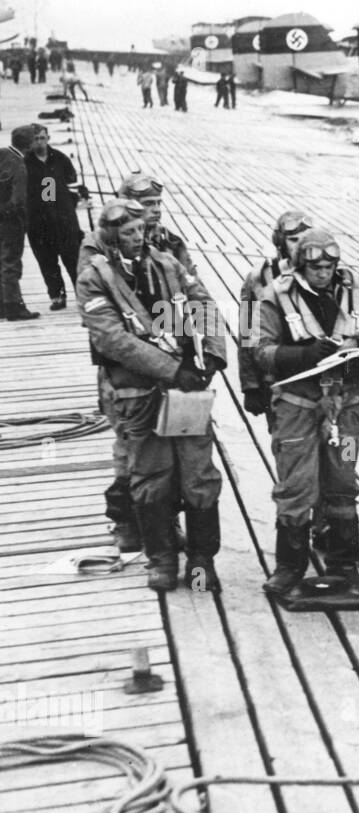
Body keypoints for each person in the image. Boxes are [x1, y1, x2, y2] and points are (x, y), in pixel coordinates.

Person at [76, 198, 227, 592]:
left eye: (141, 230)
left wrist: (212, 354)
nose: (138, 238)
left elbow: (205, 304)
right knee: (151, 478)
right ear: (110, 237)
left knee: (200, 475)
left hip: (186, 392)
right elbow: (113, 339)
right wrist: (172, 370)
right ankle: (161, 560)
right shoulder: (94, 278)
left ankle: (201, 561)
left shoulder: (166, 264)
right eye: (128, 233)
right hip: (136, 391)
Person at [255, 228, 359, 598]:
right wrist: (302, 356)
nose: (323, 272)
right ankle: (290, 565)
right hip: (298, 408)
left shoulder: (356, 293)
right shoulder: (273, 297)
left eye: (329, 265)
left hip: (345, 411)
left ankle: (344, 562)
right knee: (297, 486)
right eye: (315, 266)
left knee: (342, 481)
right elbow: (261, 351)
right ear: (299, 267)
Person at [239, 210, 313, 427]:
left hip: (317, 377)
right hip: (277, 377)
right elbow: (246, 333)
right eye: (293, 240)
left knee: (342, 451)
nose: (299, 247)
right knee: (288, 449)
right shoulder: (260, 278)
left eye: (305, 240)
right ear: (280, 242)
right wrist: (250, 385)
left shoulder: (323, 273)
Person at [24, 124, 82, 311]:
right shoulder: (24, 162)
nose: (39, 142)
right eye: (35, 139)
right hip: (38, 222)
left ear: (48, 138)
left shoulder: (60, 159)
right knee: (46, 260)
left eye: (42, 137)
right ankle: (57, 295)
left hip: (63, 220)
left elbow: (74, 183)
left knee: (72, 258)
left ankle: (82, 294)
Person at [117, 172, 196, 276]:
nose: (157, 210)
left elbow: (190, 284)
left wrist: (177, 292)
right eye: (148, 203)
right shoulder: (107, 242)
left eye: (158, 203)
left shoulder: (171, 242)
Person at [0, 126, 39, 321]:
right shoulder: (20, 165)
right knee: (11, 263)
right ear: (29, 144)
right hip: (11, 223)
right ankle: (14, 306)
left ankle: (2, 306)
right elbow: (17, 200)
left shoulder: (3, 154)